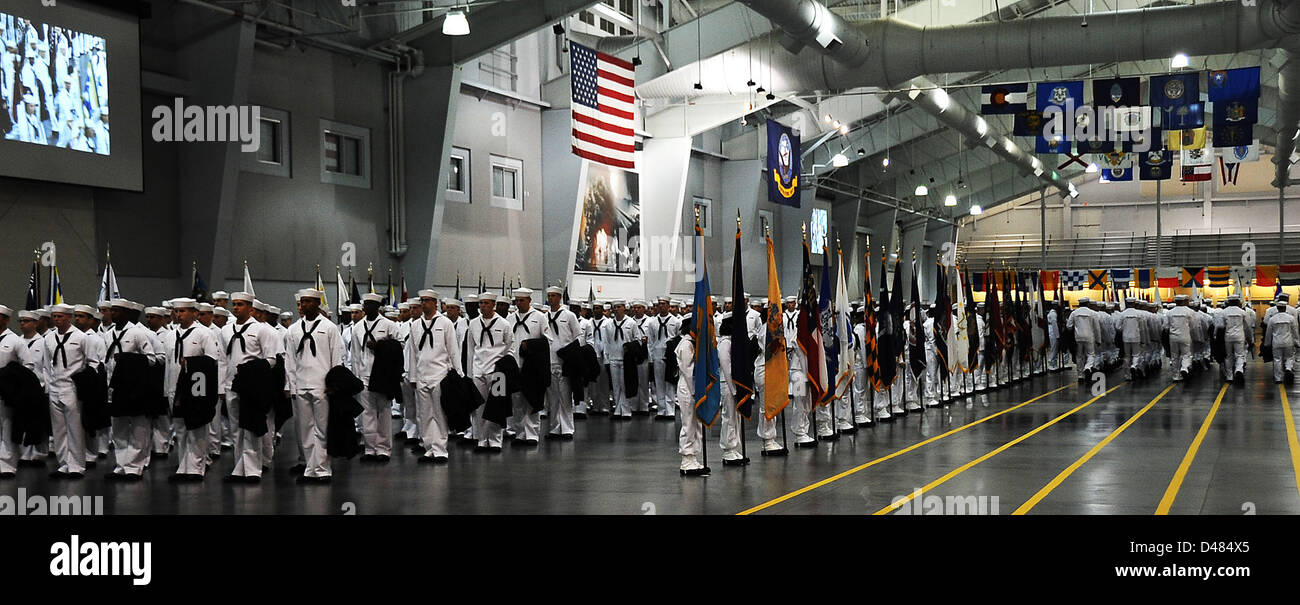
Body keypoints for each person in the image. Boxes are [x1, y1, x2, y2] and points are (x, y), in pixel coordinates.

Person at [283, 289, 344, 482]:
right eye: (303, 302)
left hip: (323, 385)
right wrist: (291, 386)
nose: (305, 305)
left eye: (309, 302)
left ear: (317, 304)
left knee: (323, 428)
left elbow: (337, 357)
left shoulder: (329, 327)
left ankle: (323, 468)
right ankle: (310, 467)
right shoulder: (293, 329)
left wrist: (335, 384)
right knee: (305, 429)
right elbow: (290, 360)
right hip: (301, 384)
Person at [222, 292, 282, 483]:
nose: (236, 308)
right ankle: (239, 467)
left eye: (240, 304)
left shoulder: (261, 330)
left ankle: (253, 469)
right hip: (231, 384)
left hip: (252, 385)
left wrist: (250, 370)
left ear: (250, 308)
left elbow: (271, 359)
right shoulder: (226, 330)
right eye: (235, 304)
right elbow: (224, 359)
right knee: (235, 429)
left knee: (251, 427)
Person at [167, 298, 223, 481]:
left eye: (183, 311)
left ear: (193, 312)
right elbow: (168, 363)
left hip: (196, 388)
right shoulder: (171, 334)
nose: (179, 315)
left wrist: (190, 363)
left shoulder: (203, 334)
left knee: (197, 428)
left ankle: (196, 467)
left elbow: (212, 360)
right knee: (180, 428)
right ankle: (183, 465)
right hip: (174, 387)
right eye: (177, 311)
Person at [42, 304, 100, 479]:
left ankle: (76, 465)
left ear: (68, 317)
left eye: (60, 317)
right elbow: (46, 365)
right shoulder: (49, 338)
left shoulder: (81, 337)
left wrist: (85, 384)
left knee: (75, 428)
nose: (57, 320)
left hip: (73, 387)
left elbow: (93, 362)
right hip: (55, 387)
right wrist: (48, 386)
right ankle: (64, 463)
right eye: (55, 317)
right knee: (58, 429)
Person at [104, 300, 159, 480]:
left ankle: (134, 466)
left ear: (127, 313)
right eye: (112, 311)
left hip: (134, 387)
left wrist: (127, 358)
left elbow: (151, 359)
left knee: (137, 427)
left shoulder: (137, 333)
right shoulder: (108, 334)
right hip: (115, 387)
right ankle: (121, 465)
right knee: (118, 428)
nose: (113, 314)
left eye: (117, 311)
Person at [406, 289, 458, 463]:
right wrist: (412, 377)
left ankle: (441, 449)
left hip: (440, 375)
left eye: (428, 300)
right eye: (422, 300)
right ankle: (429, 448)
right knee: (424, 414)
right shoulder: (415, 325)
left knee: (439, 414)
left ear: (435, 303)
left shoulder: (445, 323)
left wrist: (458, 374)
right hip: (421, 375)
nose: (424, 303)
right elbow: (413, 353)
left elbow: (453, 350)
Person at [350, 293, 398, 461]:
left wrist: (381, 347)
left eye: (370, 304)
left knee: (384, 413)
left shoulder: (389, 325)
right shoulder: (357, 327)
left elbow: (399, 349)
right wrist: (355, 377)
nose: (366, 307)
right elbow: (354, 354)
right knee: (367, 415)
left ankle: (384, 449)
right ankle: (370, 448)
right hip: (363, 376)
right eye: (365, 304)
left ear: (377, 307)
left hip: (382, 376)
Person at [469, 292, 512, 452]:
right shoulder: (473, 324)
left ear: (493, 305)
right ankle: (482, 439)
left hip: (498, 372)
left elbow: (509, 347)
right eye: (481, 303)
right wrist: (470, 372)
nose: (483, 306)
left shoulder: (504, 324)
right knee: (480, 407)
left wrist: (503, 367)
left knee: (497, 406)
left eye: (487, 303)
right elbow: (470, 349)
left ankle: (495, 440)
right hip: (478, 371)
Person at [506, 288, 547, 444]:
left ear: (529, 300)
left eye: (522, 300)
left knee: (532, 400)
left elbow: (546, 341)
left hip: (532, 366)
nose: (519, 303)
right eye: (517, 300)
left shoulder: (540, 318)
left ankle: (531, 434)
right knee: (516, 401)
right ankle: (519, 433)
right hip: (514, 365)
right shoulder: (510, 319)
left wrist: (531, 346)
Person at [543, 286, 583, 439]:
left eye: (554, 296)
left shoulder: (569, 315)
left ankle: (567, 428)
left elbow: (579, 336)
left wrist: (571, 353)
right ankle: (554, 428)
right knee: (552, 398)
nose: (551, 298)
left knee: (565, 396)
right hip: (550, 360)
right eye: (549, 296)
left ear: (559, 297)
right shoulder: (544, 317)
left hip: (565, 361)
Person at [674, 321, 707, 476]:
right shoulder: (686, 344)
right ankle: (686, 459)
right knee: (688, 423)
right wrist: (695, 391)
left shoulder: (692, 343)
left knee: (696, 424)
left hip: (693, 387)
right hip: (688, 388)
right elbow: (688, 371)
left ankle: (693, 456)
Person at [601, 300, 642, 419]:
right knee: (616, 385)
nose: (617, 309)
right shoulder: (609, 324)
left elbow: (637, 339)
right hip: (614, 358)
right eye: (615, 307)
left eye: (619, 307)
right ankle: (617, 409)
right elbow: (607, 342)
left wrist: (630, 348)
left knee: (625, 384)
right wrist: (606, 359)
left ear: (624, 308)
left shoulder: (631, 323)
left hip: (626, 359)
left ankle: (626, 410)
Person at [646, 296, 680, 421]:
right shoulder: (653, 322)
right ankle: (661, 410)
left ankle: (670, 411)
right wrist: (651, 358)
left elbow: (678, 340)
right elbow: (650, 341)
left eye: (664, 304)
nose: (661, 306)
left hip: (670, 356)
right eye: (659, 304)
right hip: (657, 354)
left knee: (669, 383)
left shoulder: (675, 321)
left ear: (668, 305)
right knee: (658, 384)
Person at [0, 305, 24, 477]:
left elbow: (28, 365)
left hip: (8, 389)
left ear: (6, 320)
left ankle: (7, 465)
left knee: (8, 427)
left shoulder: (15, 340)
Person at [1217, 295, 1253, 384]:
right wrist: (1250, 339)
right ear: (1238, 302)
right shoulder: (1243, 312)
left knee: (1228, 356)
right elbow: (1248, 327)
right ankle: (1238, 370)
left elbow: (1220, 326)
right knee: (1240, 355)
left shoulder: (1223, 312)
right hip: (1240, 336)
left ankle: (1229, 377)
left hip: (1228, 337)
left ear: (1228, 302)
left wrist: (1216, 337)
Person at [1264, 300, 1298, 383]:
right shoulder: (1291, 318)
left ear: (1277, 308)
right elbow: (1295, 331)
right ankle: (1288, 368)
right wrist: (1297, 342)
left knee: (1277, 359)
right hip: (1288, 342)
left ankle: (1278, 378)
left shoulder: (1272, 319)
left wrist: (1267, 343)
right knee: (1289, 358)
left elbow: (1268, 333)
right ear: (1285, 308)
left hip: (1276, 342)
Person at [1165, 295, 1197, 382]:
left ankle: (1176, 376)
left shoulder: (1169, 312)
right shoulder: (1190, 312)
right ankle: (1184, 368)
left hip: (1173, 337)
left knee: (1174, 356)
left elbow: (1166, 327)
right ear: (1184, 301)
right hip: (1185, 336)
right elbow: (1193, 326)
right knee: (1186, 354)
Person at [1066, 297, 1099, 381]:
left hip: (1078, 337)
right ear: (1088, 304)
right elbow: (1096, 328)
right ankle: (1088, 367)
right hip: (1089, 336)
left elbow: (1068, 326)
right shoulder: (1092, 313)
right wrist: (1098, 340)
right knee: (1091, 354)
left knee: (1079, 356)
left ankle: (1080, 375)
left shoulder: (1074, 313)